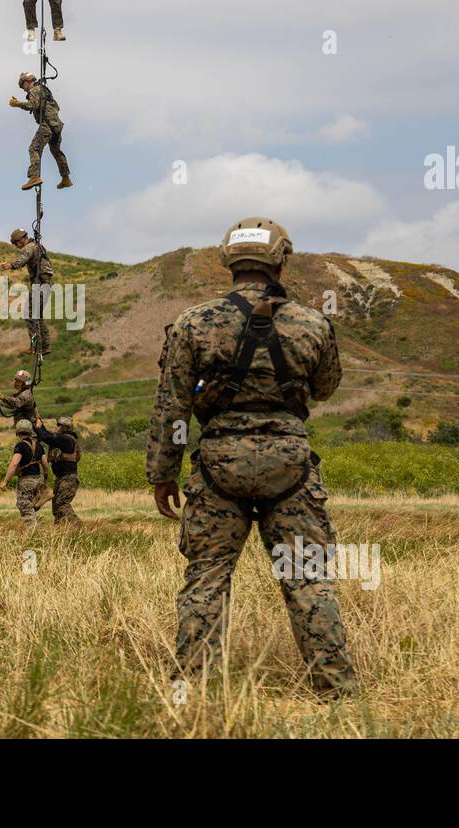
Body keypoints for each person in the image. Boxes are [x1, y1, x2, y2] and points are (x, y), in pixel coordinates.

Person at [146, 217, 355, 696]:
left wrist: (163, 474)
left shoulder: (192, 322)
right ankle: (336, 691)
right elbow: (324, 388)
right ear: (280, 257)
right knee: (307, 579)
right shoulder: (312, 323)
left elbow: (171, 405)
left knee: (207, 579)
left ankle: (193, 691)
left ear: (228, 261)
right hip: (292, 463)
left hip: (219, 463)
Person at [9, 72, 71, 190]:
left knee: (34, 148)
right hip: (56, 125)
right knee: (56, 151)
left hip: (47, 125)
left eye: (23, 86)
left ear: (27, 82)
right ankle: (65, 178)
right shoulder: (42, 89)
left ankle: (34, 176)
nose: (24, 89)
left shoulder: (35, 90)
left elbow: (33, 105)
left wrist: (18, 104)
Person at [7, 227, 54, 354]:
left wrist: (10, 265)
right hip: (46, 284)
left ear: (22, 240)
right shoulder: (37, 245)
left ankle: (36, 346)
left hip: (40, 284)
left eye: (16, 243)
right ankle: (45, 345)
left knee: (29, 314)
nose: (16, 246)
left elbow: (22, 259)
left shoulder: (29, 247)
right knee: (37, 315)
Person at [1, 419, 50, 530]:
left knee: (24, 506)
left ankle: (33, 534)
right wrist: (45, 479)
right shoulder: (39, 446)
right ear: (30, 431)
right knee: (31, 506)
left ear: (18, 431)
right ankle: (37, 527)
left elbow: (14, 464)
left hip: (26, 481)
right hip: (39, 479)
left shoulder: (20, 446)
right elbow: (45, 465)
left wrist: (5, 481)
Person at [34, 416, 81, 525]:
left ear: (65, 428)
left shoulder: (67, 439)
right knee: (56, 508)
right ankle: (59, 531)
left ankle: (79, 527)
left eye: (59, 425)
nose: (56, 427)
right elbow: (47, 435)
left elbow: (46, 437)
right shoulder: (61, 439)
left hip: (68, 479)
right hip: (61, 479)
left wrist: (38, 427)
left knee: (62, 504)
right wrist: (39, 422)